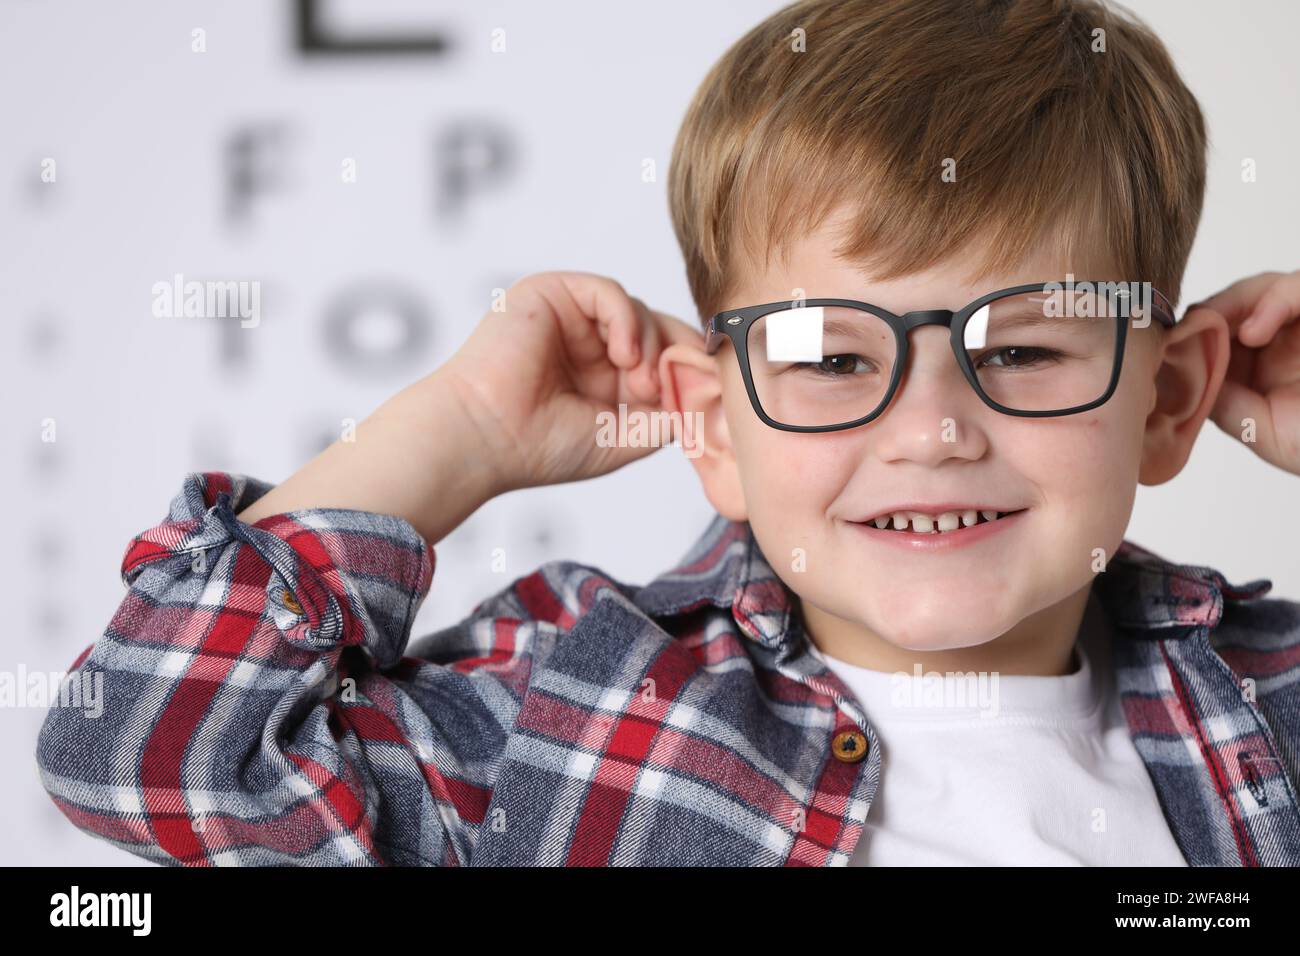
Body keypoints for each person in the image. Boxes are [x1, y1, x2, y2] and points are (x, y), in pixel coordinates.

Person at [35, 0, 1300, 865]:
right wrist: (460, 433)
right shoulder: (568, 710)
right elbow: (140, 747)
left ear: (1172, 395)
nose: (929, 431)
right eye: (826, 357)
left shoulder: (1271, 702)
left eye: (1020, 347)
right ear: (709, 422)